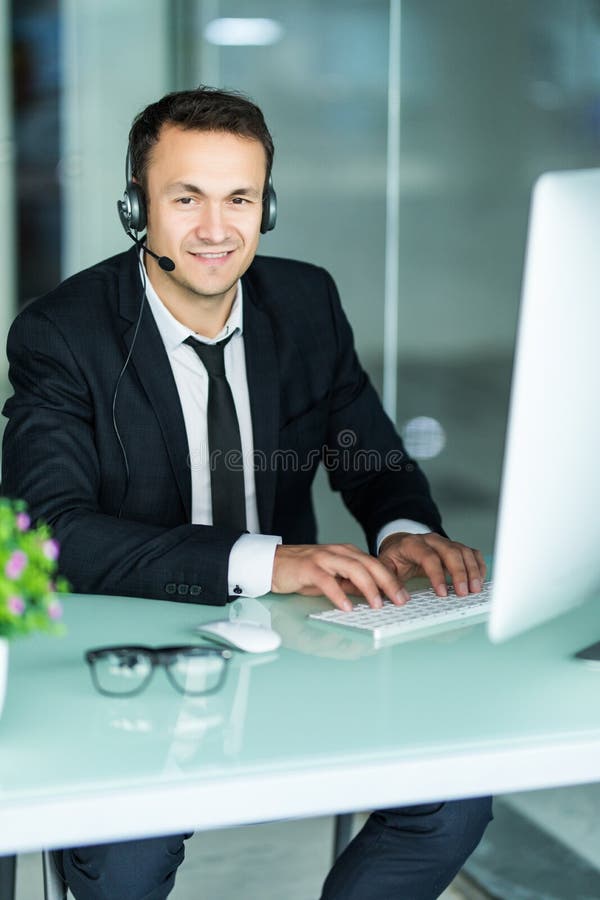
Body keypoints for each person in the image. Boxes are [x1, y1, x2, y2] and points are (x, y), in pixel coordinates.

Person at [2, 86, 491, 900]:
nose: (216, 229)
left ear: (267, 208)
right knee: (124, 860)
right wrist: (270, 562)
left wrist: (403, 526)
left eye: (239, 199)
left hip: (296, 648)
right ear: (136, 208)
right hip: (136, 659)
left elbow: (369, 457)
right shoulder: (63, 333)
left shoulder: (304, 303)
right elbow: (52, 531)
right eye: (185, 198)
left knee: (451, 800)